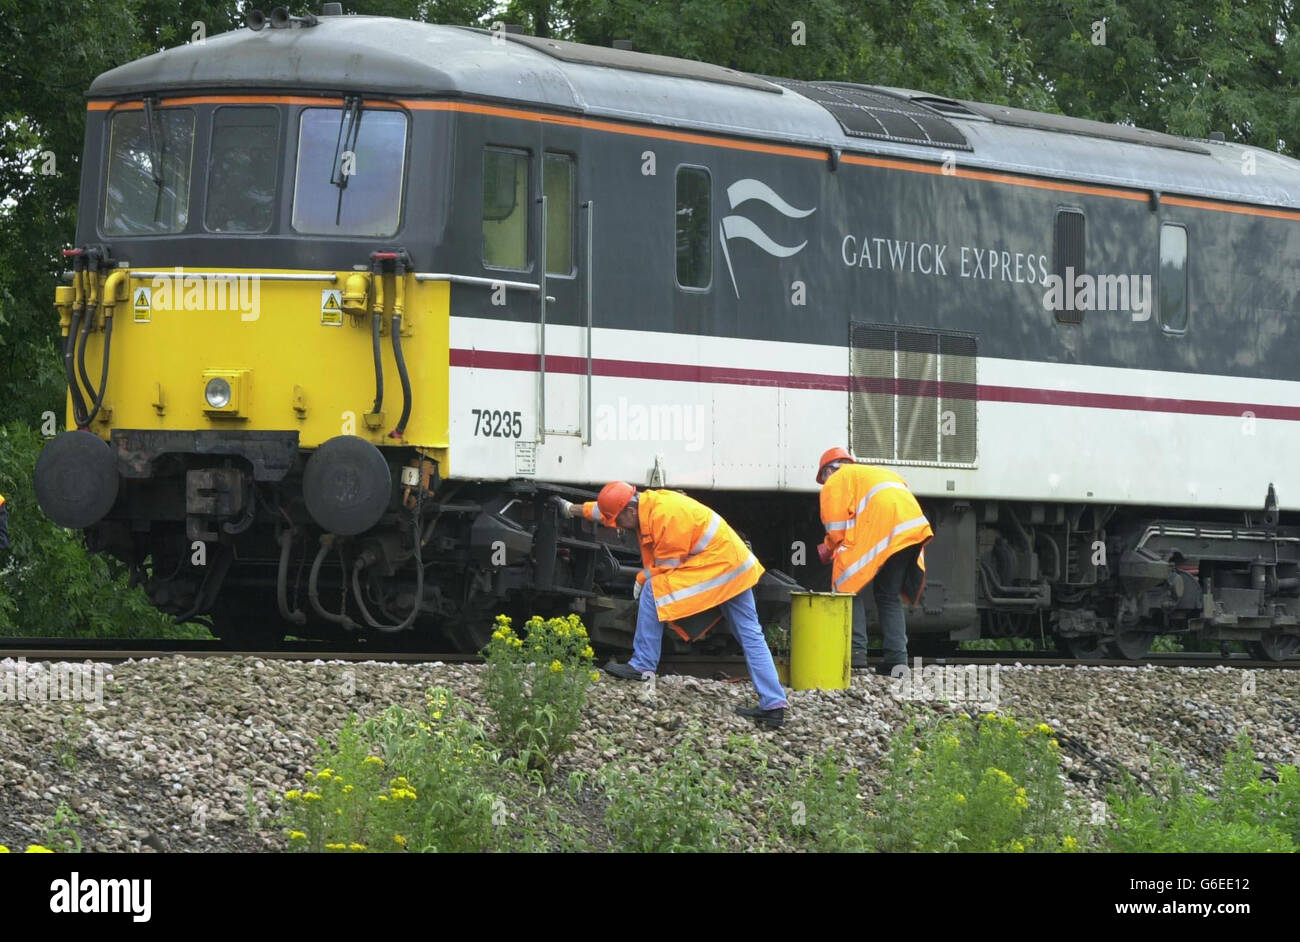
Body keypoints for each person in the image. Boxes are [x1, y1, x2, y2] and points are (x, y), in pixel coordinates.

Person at [554, 483, 789, 728]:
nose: (619, 528)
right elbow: (606, 513)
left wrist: (641, 579)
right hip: (736, 565)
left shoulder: (665, 516)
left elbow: (666, 570)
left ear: (631, 511)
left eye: (620, 522)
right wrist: (571, 509)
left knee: (653, 590)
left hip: (721, 567)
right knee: (751, 634)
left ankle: (642, 665)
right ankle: (773, 705)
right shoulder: (643, 505)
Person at [815, 448, 933, 675]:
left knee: (848, 586)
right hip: (910, 531)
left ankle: (857, 656)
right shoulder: (875, 474)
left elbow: (837, 527)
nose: (825, 483)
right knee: (888, 594)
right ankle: (897, 661)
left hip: (886, 529)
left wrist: (828, 548)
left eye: (824, 478)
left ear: (829, 469)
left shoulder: (837, 479)